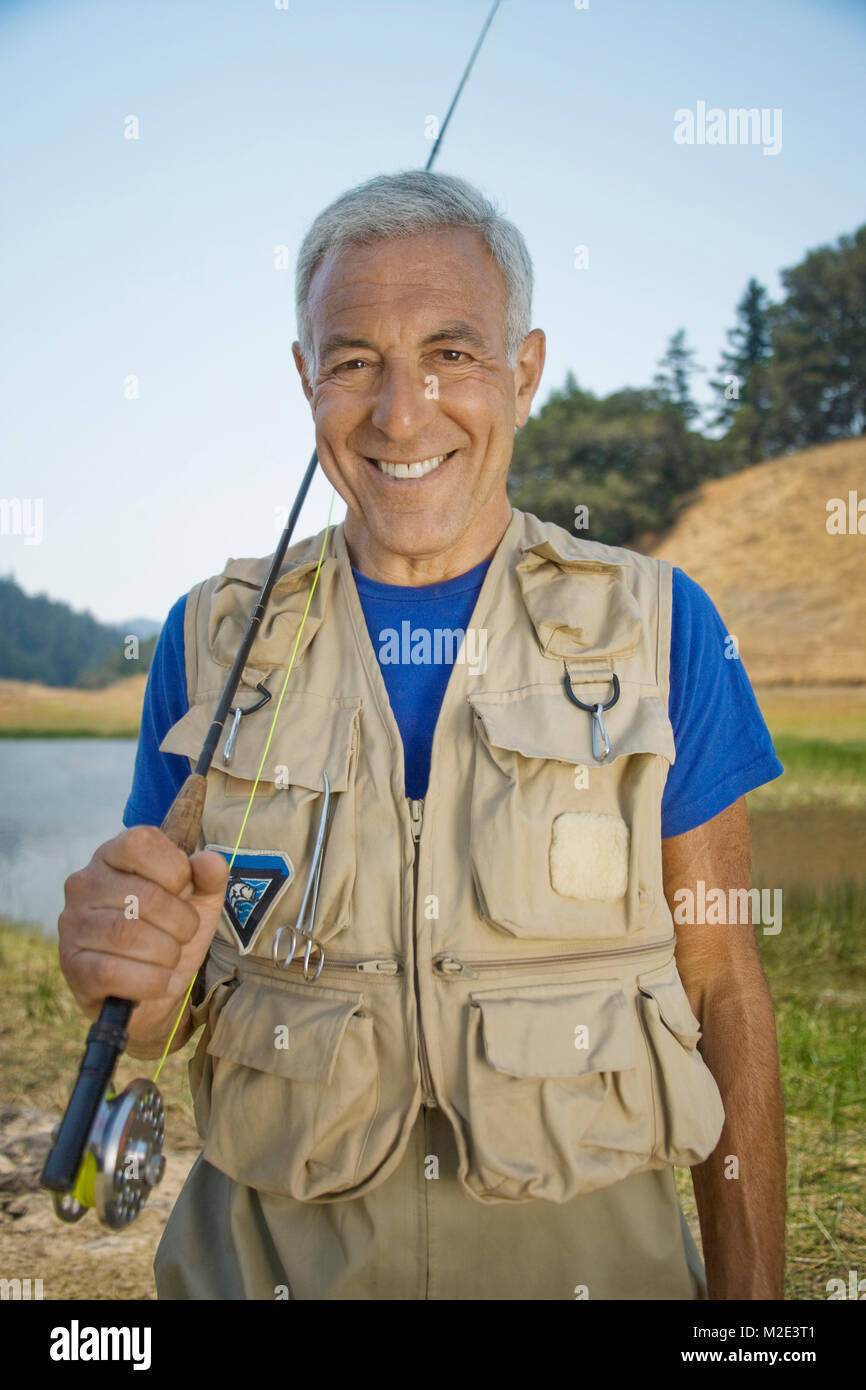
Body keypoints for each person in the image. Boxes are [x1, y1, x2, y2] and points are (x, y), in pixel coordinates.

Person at [59, 170, 786, 1301]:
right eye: (352, 361)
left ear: (526, 373)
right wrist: (124, 967)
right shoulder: (206, 639)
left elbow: (723, 985)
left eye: (453, 352)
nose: (403, 412)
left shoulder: (662, 625)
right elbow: (158, 1013)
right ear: (304, 381)